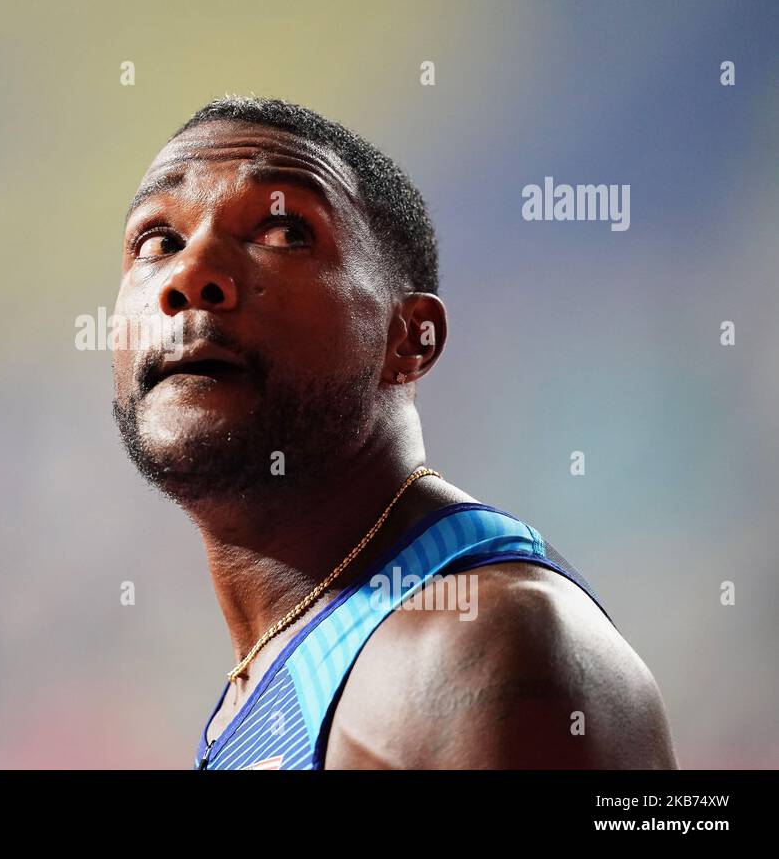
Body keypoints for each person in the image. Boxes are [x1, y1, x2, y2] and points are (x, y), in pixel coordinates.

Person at [112, 96, 678, 769]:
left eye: (283, 232)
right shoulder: (283, 664)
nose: (188, 275)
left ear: (409, 338)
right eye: (158, 241)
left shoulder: (480, 646)